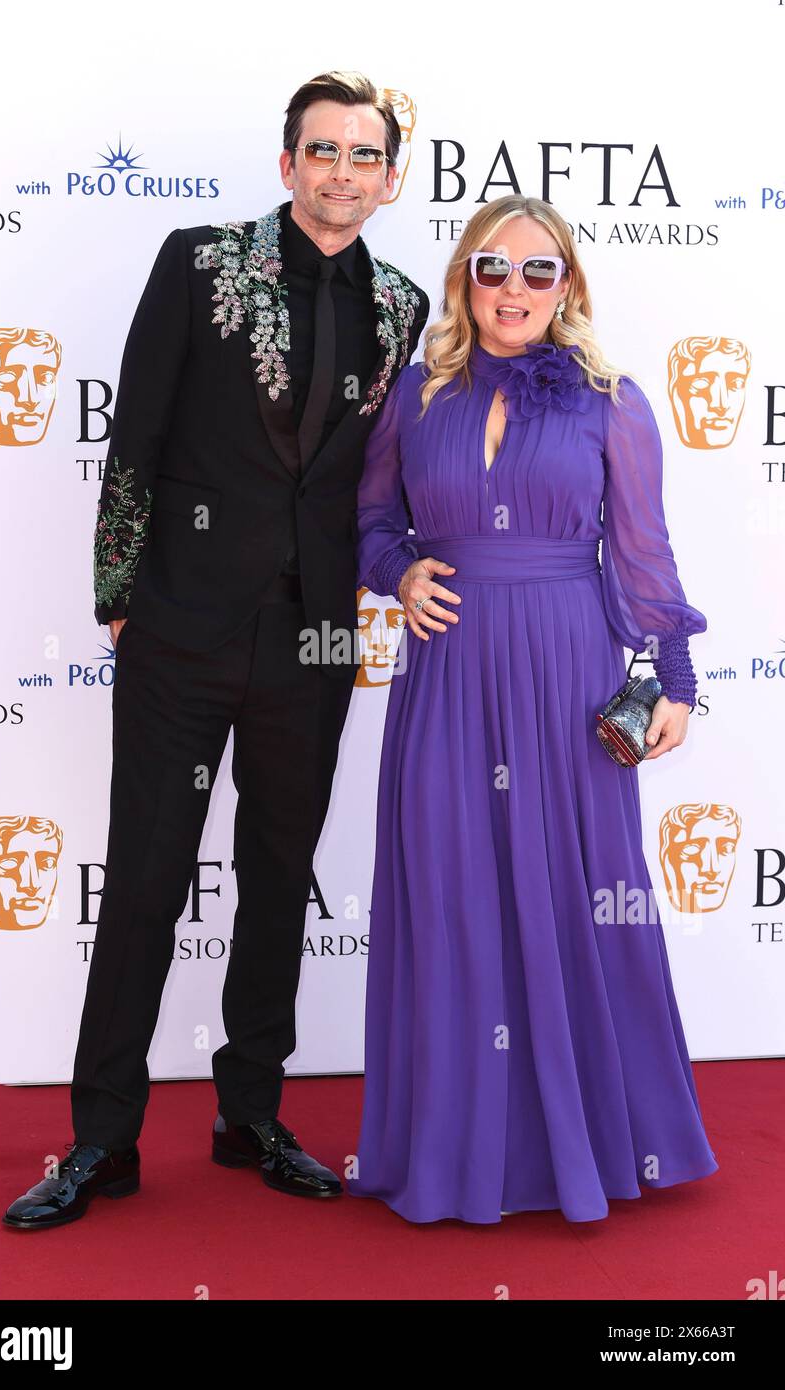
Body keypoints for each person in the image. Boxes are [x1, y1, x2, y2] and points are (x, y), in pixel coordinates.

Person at [2, 71, 429, 1230]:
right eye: (323, 149)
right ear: (288, 162)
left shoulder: (401, 304)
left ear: (390, 179)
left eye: (365, 154)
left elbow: (370, 478)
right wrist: (121, 597)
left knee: (280, 877)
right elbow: (134, 431)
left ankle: (251, 1115)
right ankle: (102, 1139)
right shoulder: (200, 262)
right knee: (145, 877)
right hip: (181, 625)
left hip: (319, 634)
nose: (343, 171)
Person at [347, 194, 718, 1225]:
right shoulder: (418, 393)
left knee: (580, 890)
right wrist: (397, 572)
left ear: (568, 286)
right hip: (449, 669)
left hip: (566, 670)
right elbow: (369, 519)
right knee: (451, 889)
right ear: (466, 280)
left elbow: (642, 548)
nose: (513, 288)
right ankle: (463, 1151)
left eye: (537, 270)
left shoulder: (611, 400)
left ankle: (598, 1143)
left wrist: (675, 676)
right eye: (493, 268)